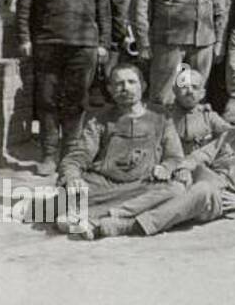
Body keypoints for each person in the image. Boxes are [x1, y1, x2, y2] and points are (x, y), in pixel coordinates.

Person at [92, 96, 235, 239]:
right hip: (202, 179)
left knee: (202, 190)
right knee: (175, 187)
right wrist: (185, 167)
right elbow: (202, 154)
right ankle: (113, 214)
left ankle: (132, 226)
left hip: (221, 199)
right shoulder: (232, 135)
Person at [17, 0, 110, 173]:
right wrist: (24, 37)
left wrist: (103, 43)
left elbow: (103, 8)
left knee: (76, 99)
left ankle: (70, 153)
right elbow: (25, 4)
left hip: (83, 45)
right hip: (48, 42)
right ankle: (48, 154)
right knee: (47, 99)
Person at [56, 62, 185, 236]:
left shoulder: (161, 117)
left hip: (144, 185)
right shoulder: (99, 120)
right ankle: (122, 217)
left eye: (132, 82)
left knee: (176, 189)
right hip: (104, 186)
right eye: (119, 84)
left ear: (143, 85)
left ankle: (104, 218)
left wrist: (166, 167)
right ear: (110, 89)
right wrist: (73, 178)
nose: (125, 88)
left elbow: (175, 157)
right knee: (65, 194)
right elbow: (76, 158)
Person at [169, 67, 232, 156]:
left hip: (201, 163)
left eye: (195, 87)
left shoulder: (208, 116)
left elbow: (230, 133)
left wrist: (213, 150)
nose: (190, 91)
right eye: (184, 87)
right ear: (175, 91)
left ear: (202, 94)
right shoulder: (166, 117)